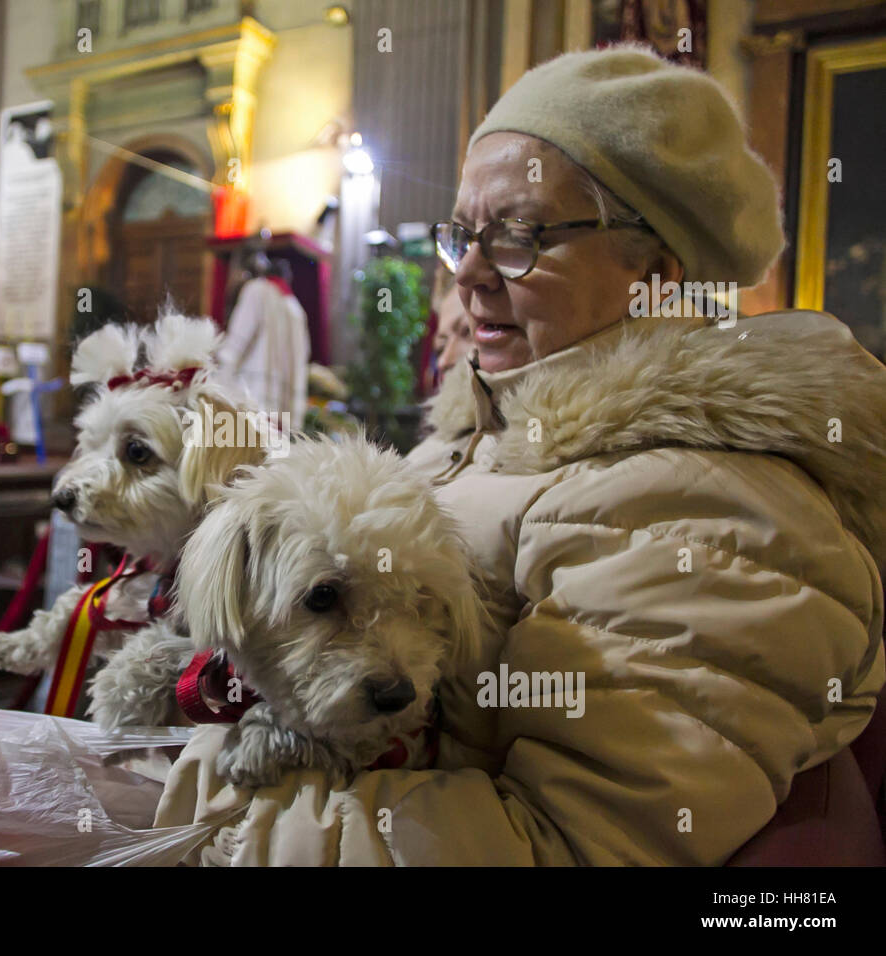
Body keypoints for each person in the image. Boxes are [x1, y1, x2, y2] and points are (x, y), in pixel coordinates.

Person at [152, 45, 886, 865]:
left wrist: (196, 808)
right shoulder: (463, 449)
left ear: (657, 273)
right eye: (461, 235)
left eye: (520, 238)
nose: (466, 273)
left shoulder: (712, 510)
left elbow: (561, 848)